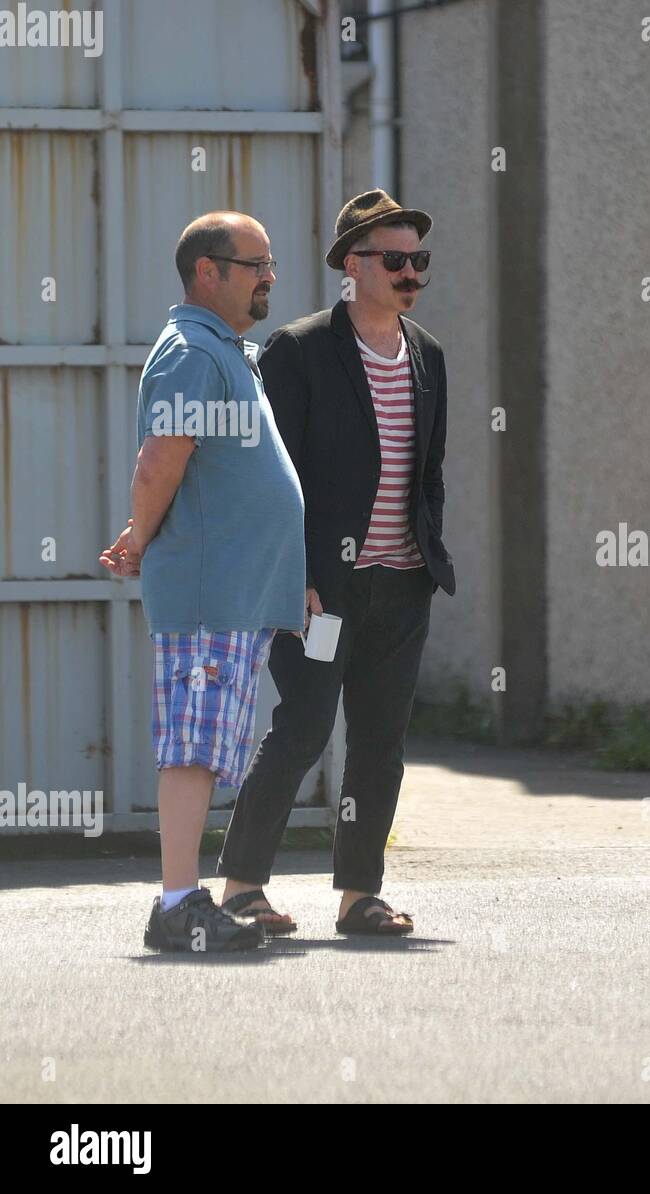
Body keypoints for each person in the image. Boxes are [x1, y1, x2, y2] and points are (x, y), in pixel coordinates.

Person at [215, 189, 455, 937]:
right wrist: (297, 574)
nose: (410, 271)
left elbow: (430, 470)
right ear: (354, 265)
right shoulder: (301, 348)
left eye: (418, 259)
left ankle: (360, 896)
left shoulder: (428, 354)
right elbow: (271, 471)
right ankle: (243, 886)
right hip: (321, 588)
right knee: (304, 729)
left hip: (403, 581)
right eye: (394, 259)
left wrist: (425, 553)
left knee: (382, 743)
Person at [99, 212, 306, 952]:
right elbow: (163, 460)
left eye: (270, 262)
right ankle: (178, 904)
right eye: (256, 264)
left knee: (205, 746)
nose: (270, 277)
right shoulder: (191, 351)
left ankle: (187, 899)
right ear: (207, 272)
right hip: (207, 592)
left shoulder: (225, 351)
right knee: (192, 750)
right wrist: (143, 537)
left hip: (233, 591)